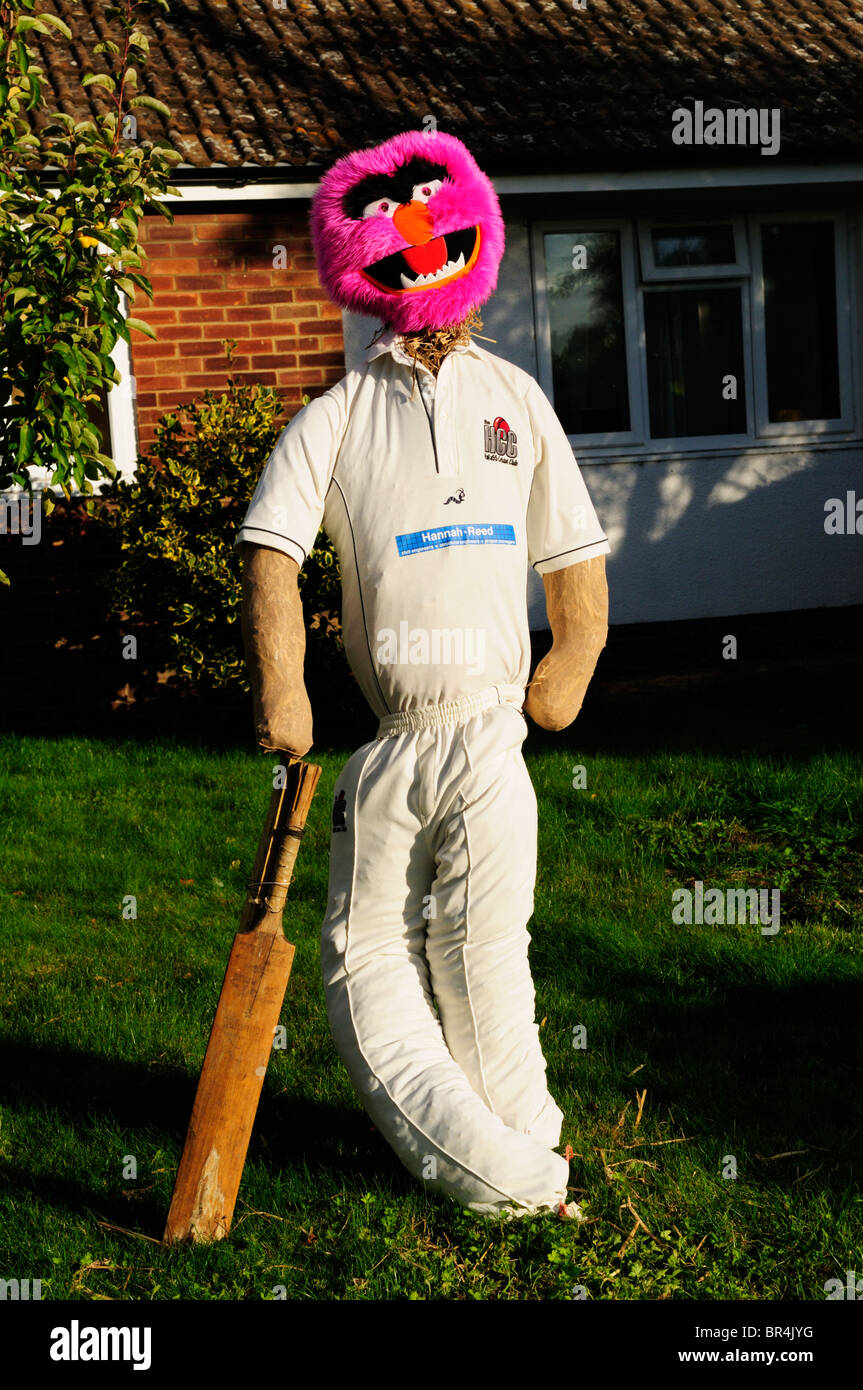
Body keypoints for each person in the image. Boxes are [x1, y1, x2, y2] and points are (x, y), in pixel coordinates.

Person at [236, 129, 609, 1220]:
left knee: (483, 945)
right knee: (366, 959)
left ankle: (518, 1153)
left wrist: (568, 659)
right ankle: (512, 1174)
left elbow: (571, 555)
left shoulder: (515, 398)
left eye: (433, 219)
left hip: (496, 729)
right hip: (391, 742)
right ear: (355, 259)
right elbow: (271, 552)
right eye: (384, 228)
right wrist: (284, 689)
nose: (413, 242)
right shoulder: (337, 416)